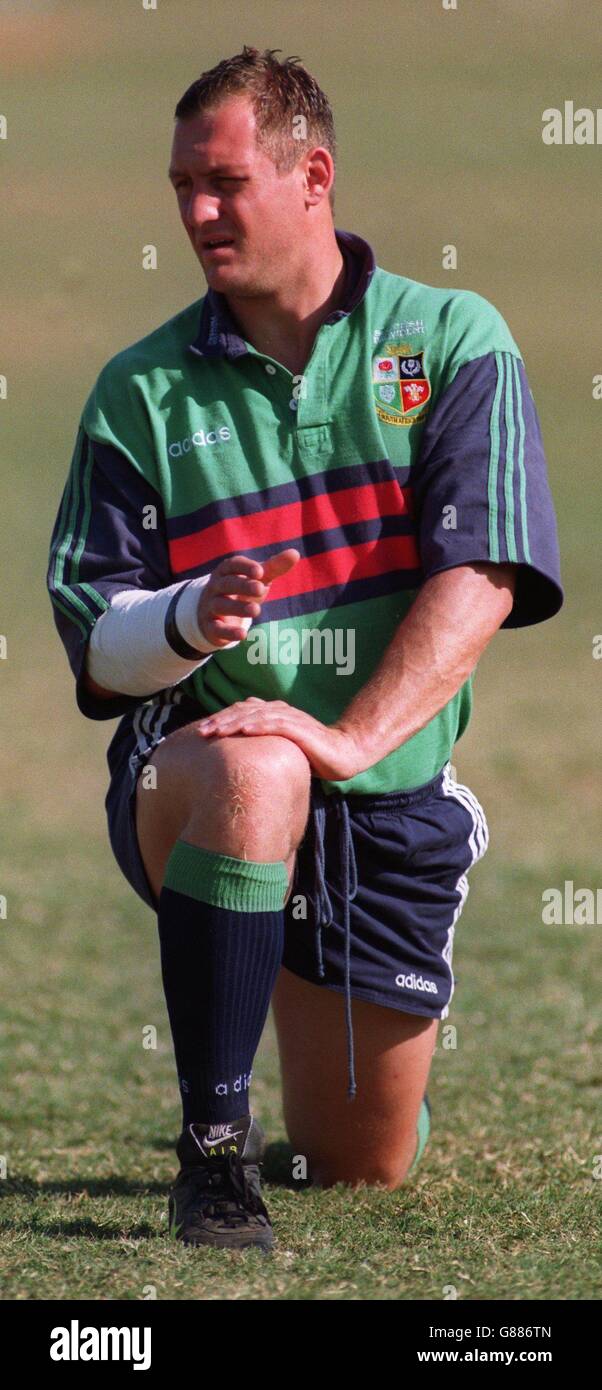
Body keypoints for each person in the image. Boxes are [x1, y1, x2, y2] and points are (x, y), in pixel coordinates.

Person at [47, 46, 563, 1252]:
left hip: (379, 796)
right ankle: (213, 1159)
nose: (196, 212)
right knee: (256, 765)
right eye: (181, 186)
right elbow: (92, 644)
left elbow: (480, 574)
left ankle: (320, 1041)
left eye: (223, 181)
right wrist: (187, 620)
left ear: (312, 174)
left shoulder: (448, 341)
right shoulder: (139, 392)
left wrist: (347, 736)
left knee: (361, 1165)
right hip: (201, 775)